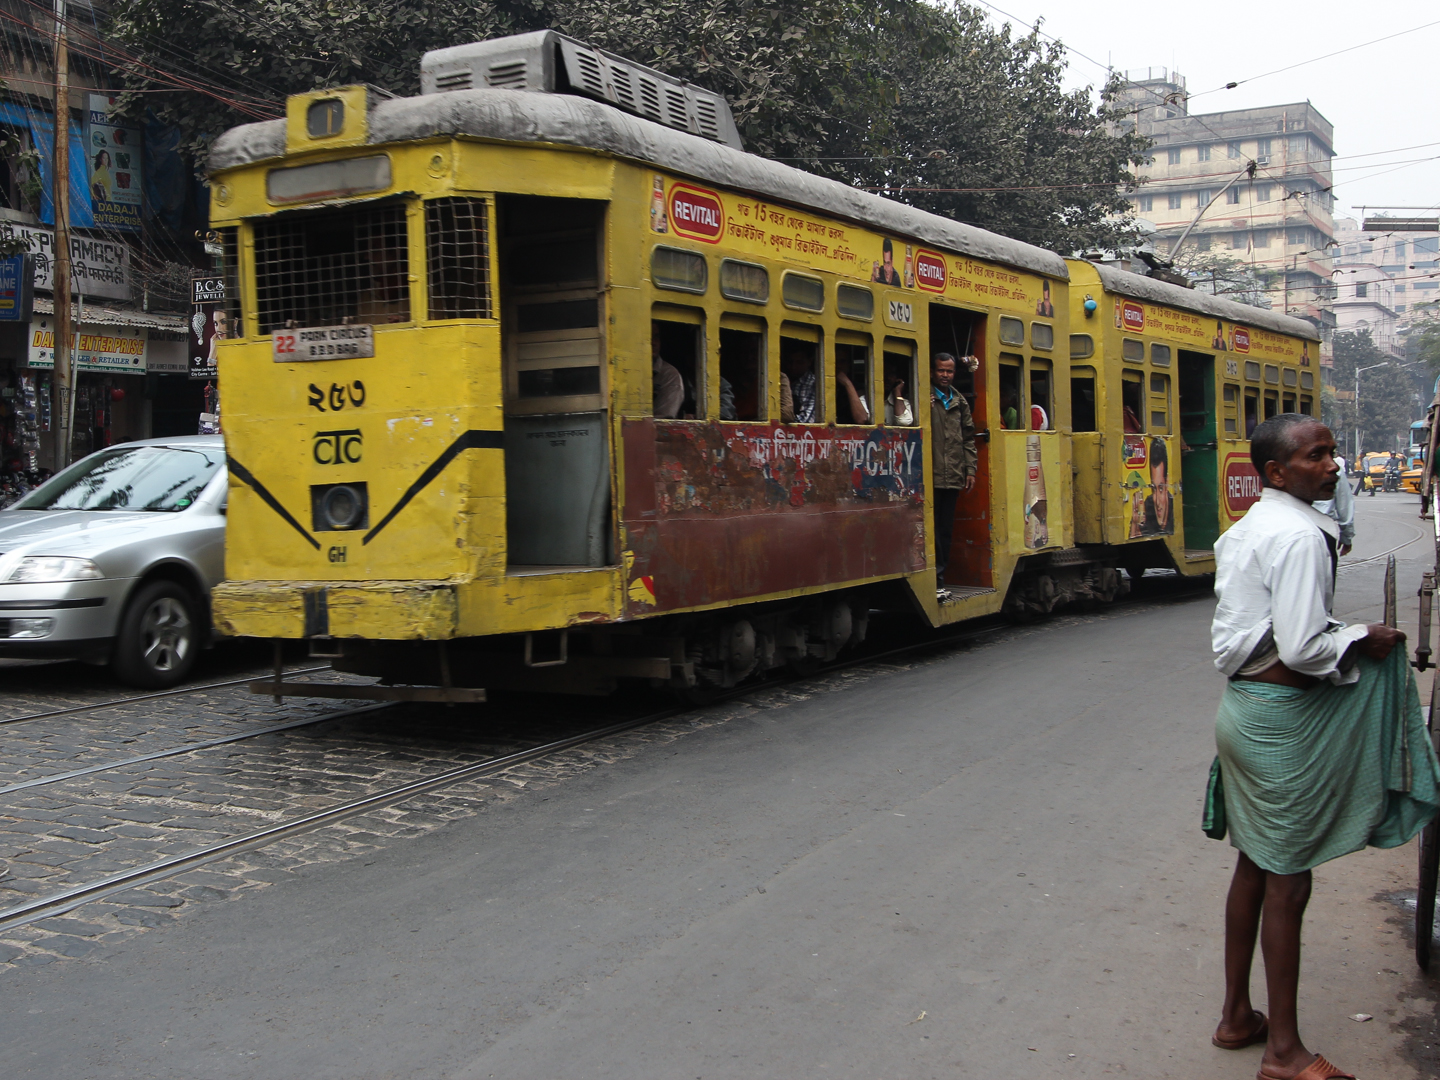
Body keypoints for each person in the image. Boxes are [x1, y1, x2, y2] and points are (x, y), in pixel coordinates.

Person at [1206, 413, 1440, 1080]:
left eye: (1334, 454)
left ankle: (1235, 1017)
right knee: (1288, 881)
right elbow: (1307, 648)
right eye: (1318, 456)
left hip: (1244, 713)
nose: (1334, 465)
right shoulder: (1302, 537)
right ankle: (1283, 1053)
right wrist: (1364, 637)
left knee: (1253, 864)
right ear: (1277, 472)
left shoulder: (1250, 528)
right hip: (1281, 724)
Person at [930, 353, 977, 600]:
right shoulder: (924, 398)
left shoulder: (959, 401)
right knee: (932, 529)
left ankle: (940, 577)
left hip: (953, 476)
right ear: (932, 372)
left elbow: (968, 438)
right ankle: (935, 580)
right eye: (941, 371)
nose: (945, 375)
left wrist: (970, 470)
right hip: (930, 475)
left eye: (949, 371)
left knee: (945, 530)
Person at [1312, 453, 1354, 556]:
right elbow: (1344, 506)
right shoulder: (1333, 469)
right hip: (1324, 530)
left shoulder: (1288, 465)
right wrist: (1346, 537)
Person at [652, 341, 685, 419]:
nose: (654, 342)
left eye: (656, 337)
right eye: (649, 336)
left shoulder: (669, 374)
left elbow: (664, 418)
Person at [835, 356, 869, 425]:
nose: (838, 365)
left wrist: (847, 383)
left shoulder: (857, 387)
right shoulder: (817, 385)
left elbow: (861, 419)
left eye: (842, 361)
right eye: (835, 361)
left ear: (848, 365)